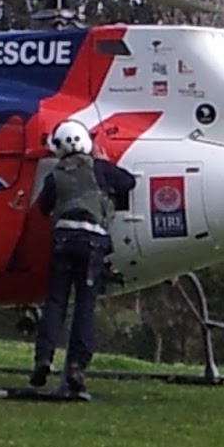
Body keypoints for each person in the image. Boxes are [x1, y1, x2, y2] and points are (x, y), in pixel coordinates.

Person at [31, 119, 136, 397]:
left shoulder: (56, 175)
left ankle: (43, 359)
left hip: (63, 241)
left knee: (55, 303)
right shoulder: (99, 168)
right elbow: (129, 182)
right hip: (92, 243)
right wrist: (105, 162)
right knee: (84, 308)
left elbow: (42, 207)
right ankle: (77, 367)